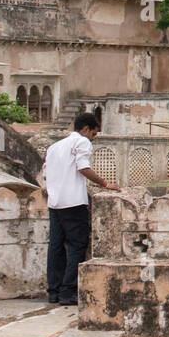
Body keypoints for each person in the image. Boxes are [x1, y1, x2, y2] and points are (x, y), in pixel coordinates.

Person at [43, 112, 118, 306]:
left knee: (56, 246)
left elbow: (45, 175)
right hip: (73, 203)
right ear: (86, 129)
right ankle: (68, 292)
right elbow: (83, 167)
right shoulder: (82, 142)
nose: (93, 138)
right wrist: (104, 183)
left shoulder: (54, 147)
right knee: (77, 244)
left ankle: (54, 291)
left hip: (54, 202)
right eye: (94, 134)